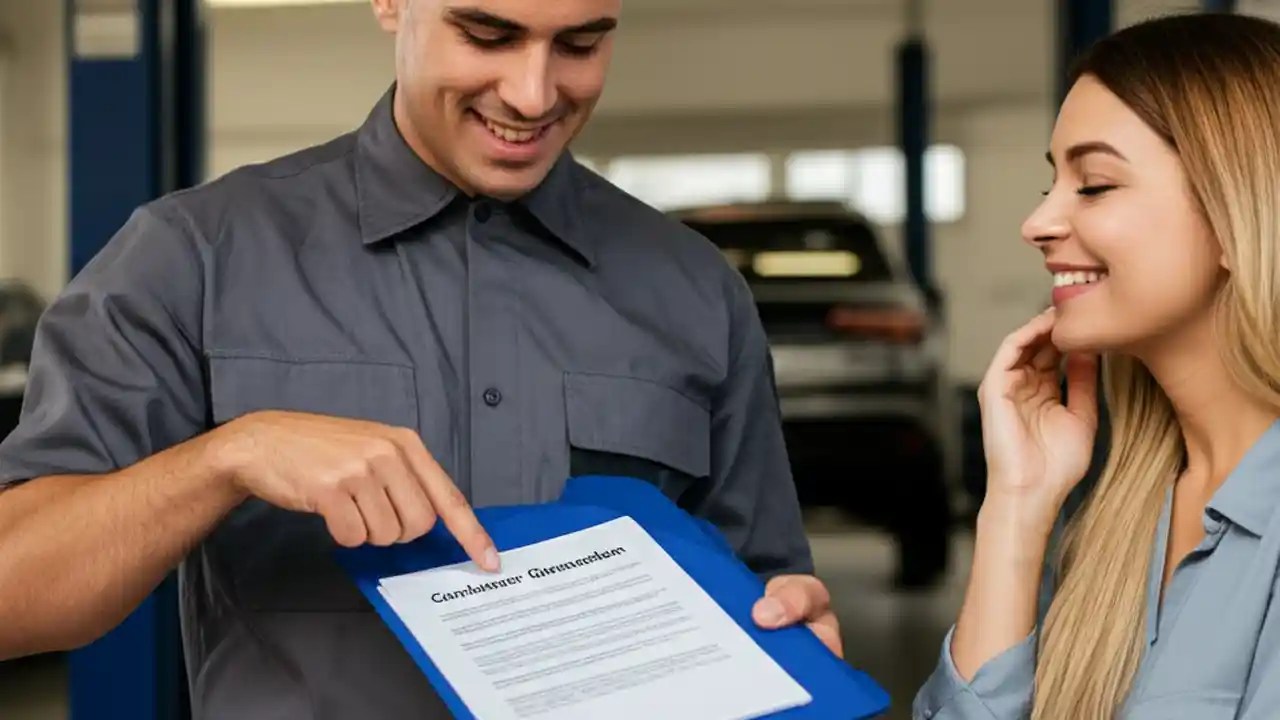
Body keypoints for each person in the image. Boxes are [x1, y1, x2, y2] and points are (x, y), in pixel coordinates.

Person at [0, 0, 841, 716]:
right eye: (487, 34)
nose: (533, 92)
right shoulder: (195, 255)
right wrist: (230, 455)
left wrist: (789, 642)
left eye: (581, 45)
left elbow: (765, 598)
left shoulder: (695, 289)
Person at [913, 12, 1280, 720]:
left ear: (1242, 213)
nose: (1038, 223)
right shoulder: (1122, 520)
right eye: (1051, 183)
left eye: (1096, 184)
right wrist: (1016, 509)